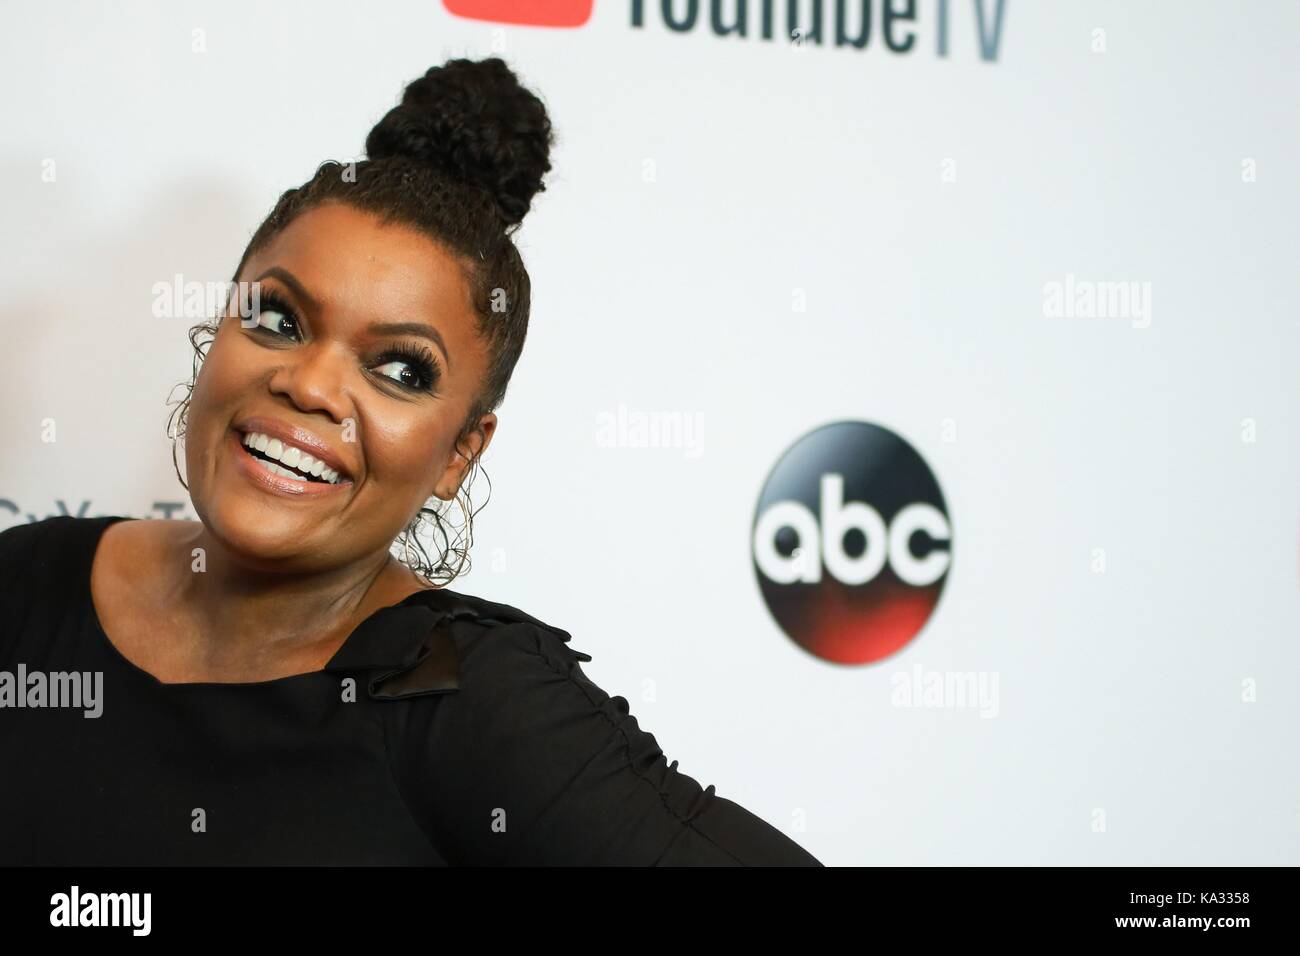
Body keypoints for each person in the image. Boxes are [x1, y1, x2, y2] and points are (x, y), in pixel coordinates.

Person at [0, 57, 822, 867]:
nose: (311, 384)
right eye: (279, 319)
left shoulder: (472, 704)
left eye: (400, 370)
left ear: (458, 454)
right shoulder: (26, 585)